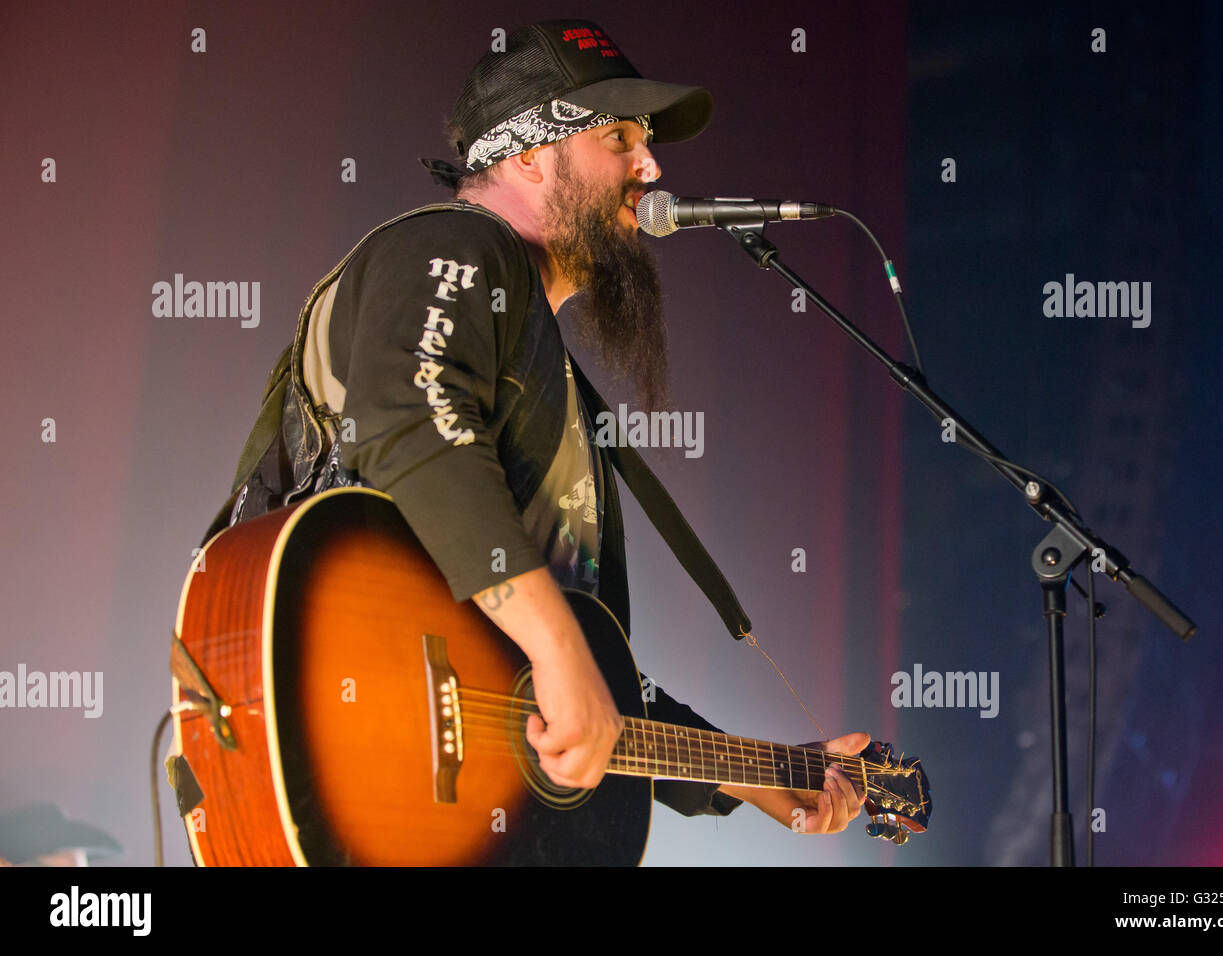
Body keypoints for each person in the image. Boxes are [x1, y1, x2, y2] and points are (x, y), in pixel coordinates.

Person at [284, 19, 870, 836]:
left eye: (649, 142)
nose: (653, 166)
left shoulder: (555, 387)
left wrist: (756, 775)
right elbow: (413, 419)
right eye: (620, 137)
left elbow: (568, 679)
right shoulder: (454, 244)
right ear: (527, 153)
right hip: (331, 723)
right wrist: (560, 653)